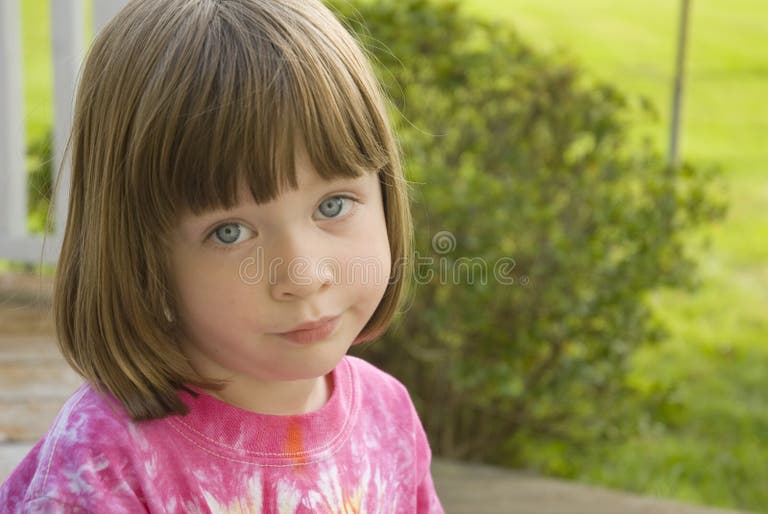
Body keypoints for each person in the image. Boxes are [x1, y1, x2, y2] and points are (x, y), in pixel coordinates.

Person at [0, 0, 444, 512]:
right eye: (231, 232)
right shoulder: (106, 462)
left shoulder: (387, 416)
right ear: (141, 255)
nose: (302, 276)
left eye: (333, 205)